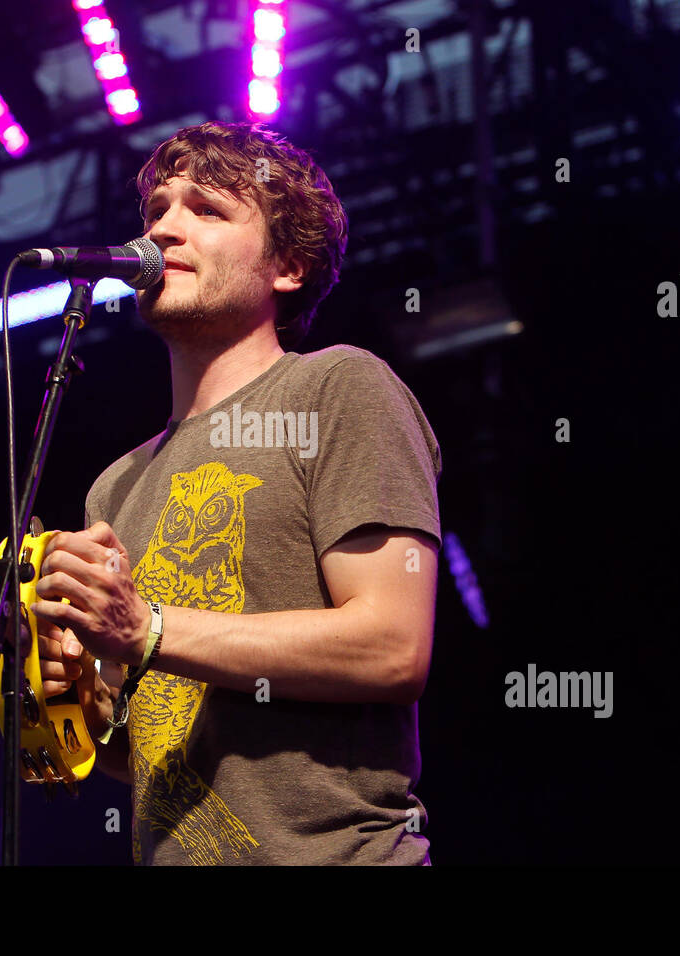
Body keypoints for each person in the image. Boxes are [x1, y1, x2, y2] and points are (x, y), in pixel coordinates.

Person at [25, 121, 442, 865]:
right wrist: (78, 707)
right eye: (156, 211)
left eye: (206, 211)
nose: (164, 231)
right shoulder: (114, 488)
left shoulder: (340, 388)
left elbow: (393, 647)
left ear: (288, 265)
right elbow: (150, 750)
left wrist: (146, 628)